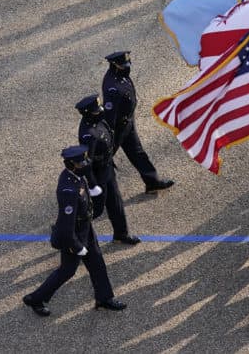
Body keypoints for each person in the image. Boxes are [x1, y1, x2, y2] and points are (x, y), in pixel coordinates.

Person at [22, 145, 127, 316]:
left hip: (85, 228)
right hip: (74, 234)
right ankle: (35, 298)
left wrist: (93, 186)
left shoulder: (77, 175)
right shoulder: (68, 190)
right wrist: (76, 245)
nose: (85, 164)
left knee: (97, 263)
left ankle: (104, 298)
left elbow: (87, 183)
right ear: (70, 165)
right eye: (81, 163)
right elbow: (66, 224)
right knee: (67, 270)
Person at [102, 51, 174, 192]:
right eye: (123, 65)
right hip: (117, 128)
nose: (127, 67)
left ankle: (152, 182)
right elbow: (110, 115)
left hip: (127, 122)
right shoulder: (112, 87)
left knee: (137, 152)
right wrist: (110, 135)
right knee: (103, 160)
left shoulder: (121, 75)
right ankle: (94, 191)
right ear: (114, 65)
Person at [76, 95, 140, 245]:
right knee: (96, 209)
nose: (100, 111)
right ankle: (71, 235)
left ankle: (121, 234)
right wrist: (93, 185)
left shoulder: (98, 121)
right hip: (98, 174)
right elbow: (87, 162)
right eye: (96, 111)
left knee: (115, 202)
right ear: (87, 114)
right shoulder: (87, 135)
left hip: (107, 167)